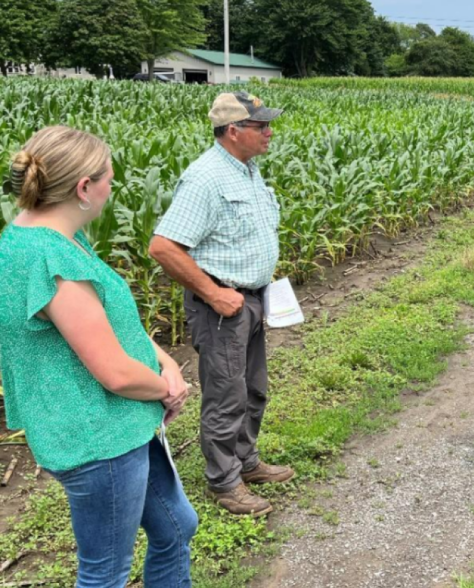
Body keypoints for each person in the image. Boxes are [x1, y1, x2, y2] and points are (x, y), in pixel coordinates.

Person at [0, 126, 197, 586]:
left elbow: (110, 323)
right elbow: (114, 373)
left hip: (122, 426)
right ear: (83, 188)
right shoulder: (52, 261)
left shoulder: (42, 238)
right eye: (109, 178)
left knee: (176, 527)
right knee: (104, 572)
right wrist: (168, 388)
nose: (114, 187)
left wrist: (165, 361)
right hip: (97, 438)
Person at [149, 91, 292, 516]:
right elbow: (163, 247)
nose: (269, 132)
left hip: (250, 301)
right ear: (233, 131)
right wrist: (213, 293)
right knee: (226, 395)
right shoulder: (206, 178)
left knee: (253, 389)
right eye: (261, 126)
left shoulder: (247, 171)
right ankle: (224, 482)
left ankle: (246, 462)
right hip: (221, 307)